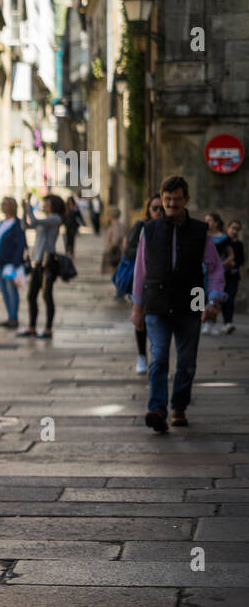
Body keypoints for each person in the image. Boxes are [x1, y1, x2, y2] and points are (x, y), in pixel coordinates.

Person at [131, 176, 225, 432]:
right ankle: (157, 409)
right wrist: (137, 306)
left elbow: (215, 268)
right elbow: (140, 270)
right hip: (157, 301)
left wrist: (214, 300)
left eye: (177, 199)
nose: (172, 204)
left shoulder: (199, 231)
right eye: (167, 199)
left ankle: (178, 407)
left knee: (186, 361)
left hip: (192, 300)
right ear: (162, 199)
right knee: (158, 357)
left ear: (186, 200)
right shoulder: (148, 231)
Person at [120, 194, 163, 373]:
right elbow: (128, 251)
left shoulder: (171, 227)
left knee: (159, 322)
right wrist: (145, 249)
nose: (159, 211)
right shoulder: (141, 226)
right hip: (143, 281)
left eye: (162, 208)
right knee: (141, 320)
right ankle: (142, 356)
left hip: (163, 283)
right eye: (155, 208)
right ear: (148, 209)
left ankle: (157, 357)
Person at [18, 193, 64, 339]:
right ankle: (32, 327)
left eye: (46, 203)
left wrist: (29, 206)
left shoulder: (55, 219)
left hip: (48, 263)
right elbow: (25, 225)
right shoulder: (44, 221)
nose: (44, 205)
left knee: (46, 296)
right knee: (31, 296)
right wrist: (24, 210)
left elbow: (35, 221)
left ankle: (48, 329)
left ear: (53, 205)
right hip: (37, 262)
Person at [0, 196, 26, 328]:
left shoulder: (17, 224)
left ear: (11, 206)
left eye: (5, 204)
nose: (2, 206)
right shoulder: (1, 223)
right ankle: (10, 316)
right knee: (4, 291)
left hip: (10, 264)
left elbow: (21, 245)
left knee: (11, 291)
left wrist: (15, 264)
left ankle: (13, 318)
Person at [205, 213, 230, 336]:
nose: (207, 223)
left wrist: (222, 263)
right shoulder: (203, 236)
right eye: (206, 220)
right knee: (202, 297)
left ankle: (212, 323)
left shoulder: (224, 238)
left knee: (214, 298)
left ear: (216, 222)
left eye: (209, 220)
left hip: (218, 270)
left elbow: (230, 254)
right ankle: (204, 322)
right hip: (204, 272)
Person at [222, 219, 243, 334]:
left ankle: (228, 322)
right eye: (233, 228)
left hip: (233, 276)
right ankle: (210, 323)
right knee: (218, 298)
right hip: (221, 275)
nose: (234, 231)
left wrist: (235, 264)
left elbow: (241, 259)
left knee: (230, 299)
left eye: (237, 229)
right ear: (228, 227)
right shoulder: (223, 241)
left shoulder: (238, 244)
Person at [100, 207, 125, 275]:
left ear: (111, 216)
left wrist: (109, 249)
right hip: (114, 251)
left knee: (114, 272)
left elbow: (115, 239)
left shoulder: (115, 225)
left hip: (113, 252)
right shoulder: (117, 224)